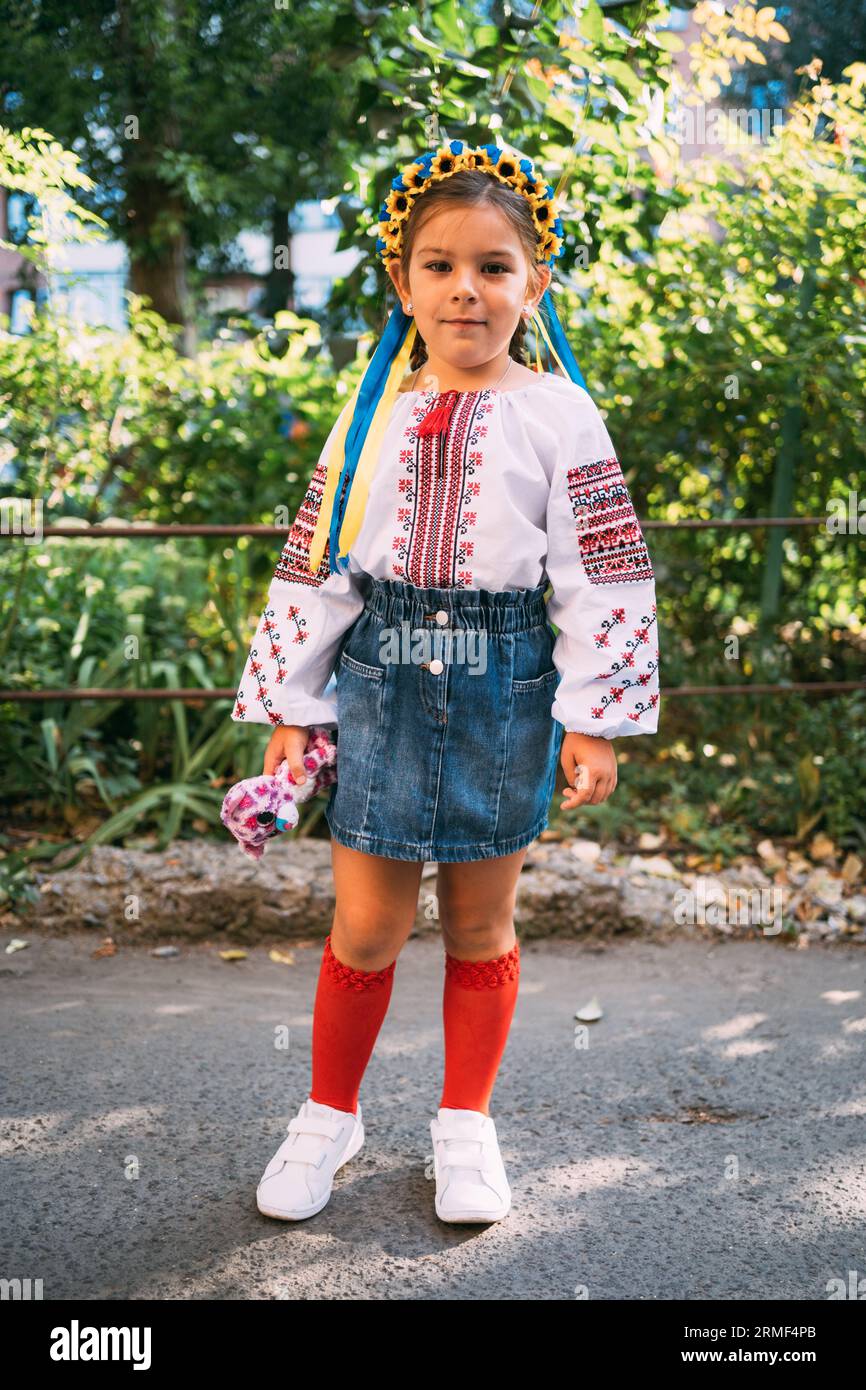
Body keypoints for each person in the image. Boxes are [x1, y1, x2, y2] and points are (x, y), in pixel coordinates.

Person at [231, 140, 661, 1225]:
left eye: (492, 266)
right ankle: (329, 1112)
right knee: (365, 927)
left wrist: (591, 718)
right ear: (403, 282)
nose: (465, 288)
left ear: (534, 283)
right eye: (438, 265)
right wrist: (292, 704)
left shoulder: (562, 416)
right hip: (380, 682)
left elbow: (600, 574)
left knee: (481, 920)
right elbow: (320, 562)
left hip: (503, 687)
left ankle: (464, 1123)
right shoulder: (371, 408)